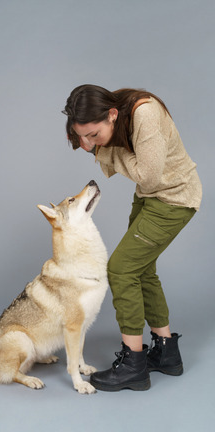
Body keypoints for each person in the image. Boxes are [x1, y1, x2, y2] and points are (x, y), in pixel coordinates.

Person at [62, 84, 202, 392]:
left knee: (121, 269)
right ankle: (166, 353)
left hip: (173, 199)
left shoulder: (146, 113)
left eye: (93, 135)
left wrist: (104, 151)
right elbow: (134, 173)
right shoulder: (115, 119)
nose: (88, 146)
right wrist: (99, 145)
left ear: (112, 114)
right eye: (81, 138)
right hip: (150, 198)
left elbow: (148, 174)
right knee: (141, 269)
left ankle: (133, 364)